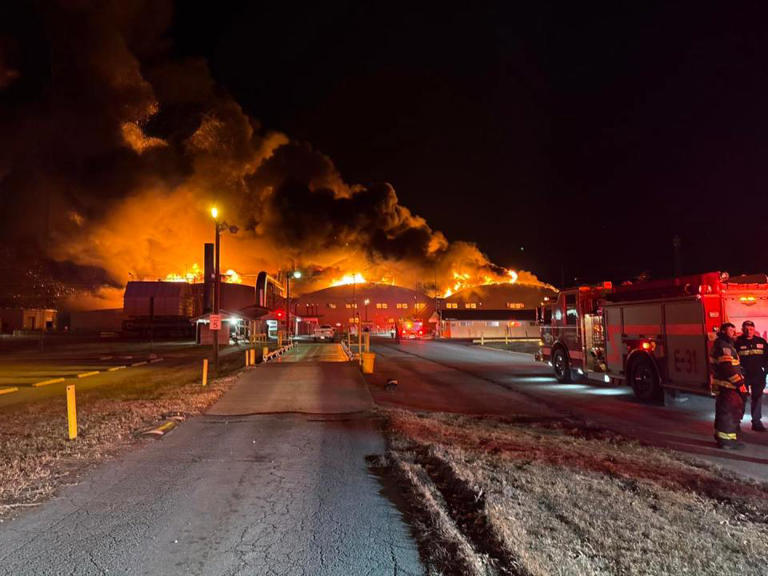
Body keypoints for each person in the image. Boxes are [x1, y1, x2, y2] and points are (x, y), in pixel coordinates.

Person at [710, 322, 748, 449]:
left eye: (734, 330)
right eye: (730, 330)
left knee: (724, 413)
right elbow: (727, 368)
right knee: (729, 413)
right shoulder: (724, 346)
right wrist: (740, 384)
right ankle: (728, 442)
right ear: (723, 332)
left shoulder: (725, 344)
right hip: (728, 386)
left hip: (726, 386)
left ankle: (723, 439)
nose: (733, 332)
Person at [735, 320, 767, 432]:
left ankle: (756, 423)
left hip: (758, 376)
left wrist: (765, 372)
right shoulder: (737, 343)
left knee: (757, 398)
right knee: (741, 398)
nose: (749, 331)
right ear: (742, 330)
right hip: (743, 377)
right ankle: (736, 423)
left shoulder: (762, 342)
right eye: (747, 329)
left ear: (754, 329)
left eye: (751, 329)